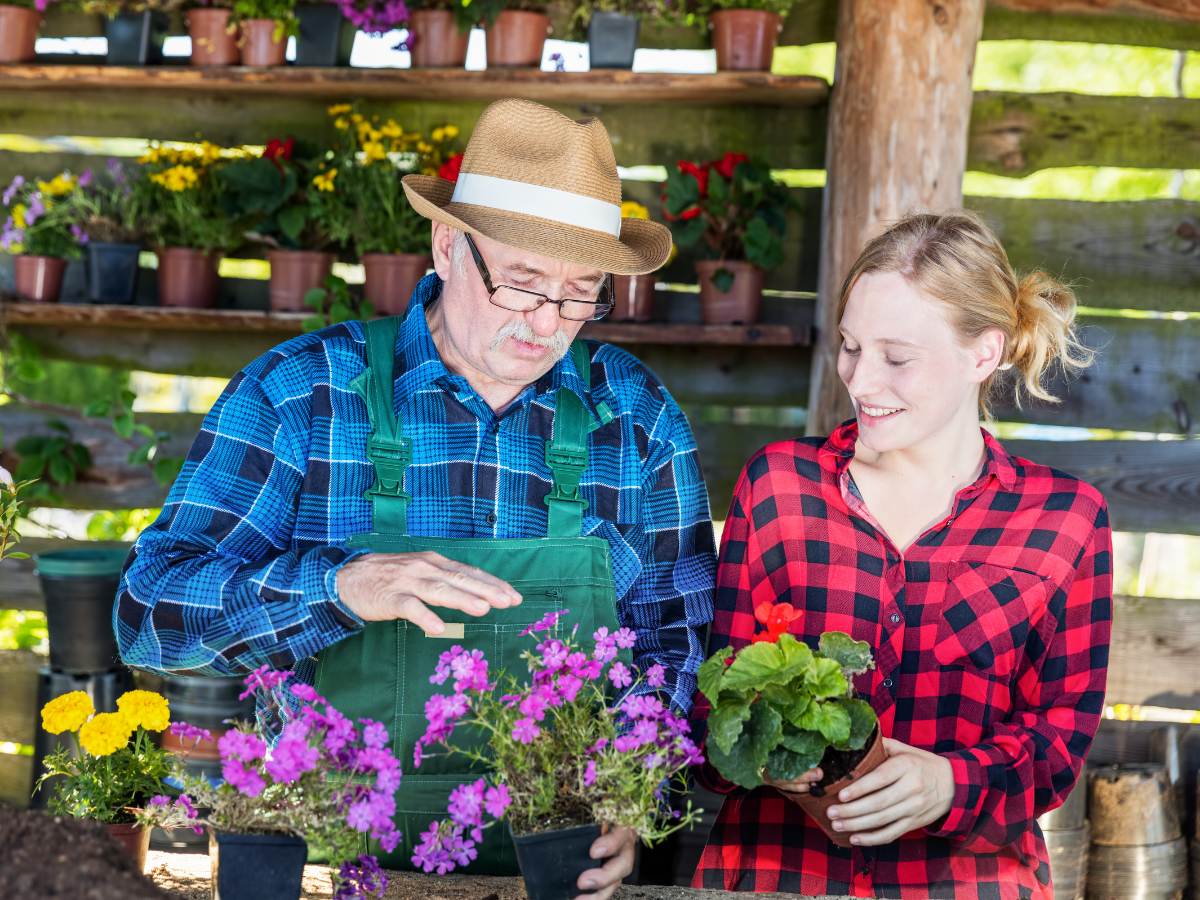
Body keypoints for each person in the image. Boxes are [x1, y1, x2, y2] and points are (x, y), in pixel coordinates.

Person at [115, 98, 716, 897]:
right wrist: (338, 587)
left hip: (557, 876)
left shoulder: (637, 417)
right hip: (326, 871)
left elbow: (676, 640)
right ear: (446, 246)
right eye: (523, 284)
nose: (547, 323)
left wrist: (632, 794)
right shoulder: (301, 394)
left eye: (582, 292)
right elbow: (148, 614)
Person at [692, 210, 1112, 898]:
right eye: (850, 346)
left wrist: (949, 783)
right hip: (779, 873)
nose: (860, 381)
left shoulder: (1064, 520)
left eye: (897, 358)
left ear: (984, 354)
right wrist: (762, 755)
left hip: (963, 884)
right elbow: (712, 711)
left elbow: (1059, 745)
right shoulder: (780, 488)